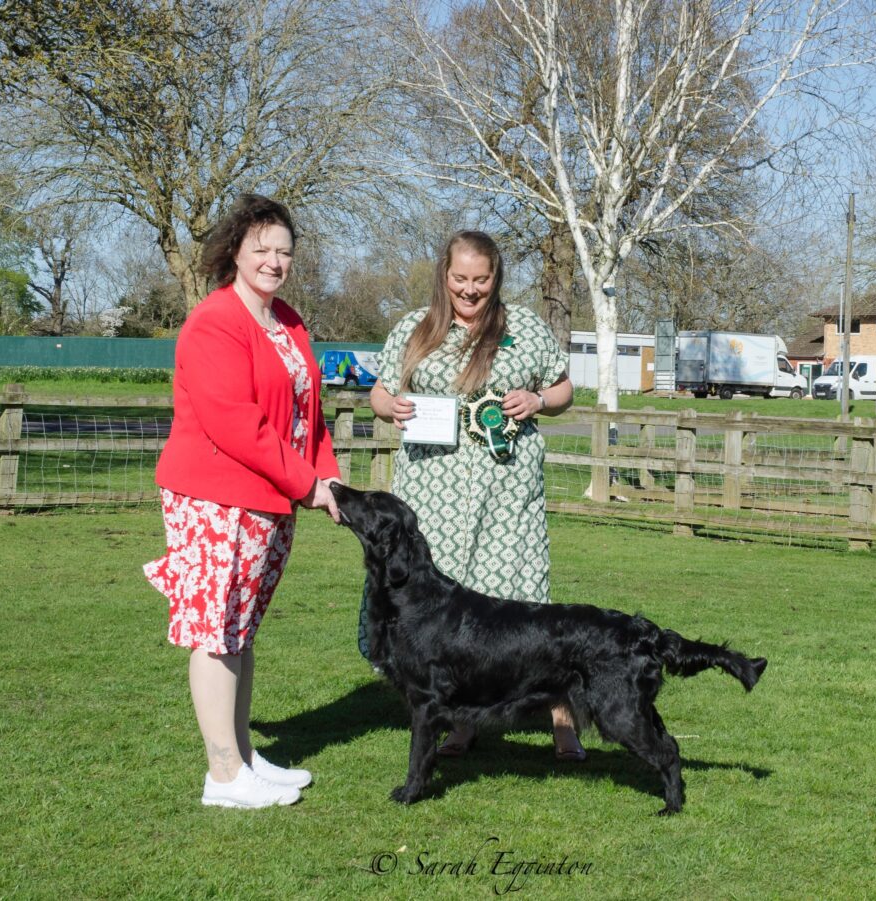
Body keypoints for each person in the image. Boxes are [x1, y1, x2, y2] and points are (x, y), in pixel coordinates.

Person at [144, 194, 342, 808]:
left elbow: (308, 414)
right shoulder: (214, 321)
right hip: (214, 498)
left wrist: (327, 477)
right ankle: (223, 776)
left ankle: (246, 757)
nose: (274, 260)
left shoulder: (288, 320)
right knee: (216, 632)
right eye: (261, 248)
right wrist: (306, 484)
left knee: (241, 630)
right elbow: (236, 424)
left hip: (268, 498)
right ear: (234, 250)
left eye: (284, 251)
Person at [369, 229, 585, 761]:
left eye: (481, 280)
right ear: (444, 274)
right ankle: (461, 725)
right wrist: (388, 407)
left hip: (505, 493)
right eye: (460, 278)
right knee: (447, 619)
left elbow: (564, 389)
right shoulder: (413, 328)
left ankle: (563, 721)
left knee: (527, 606)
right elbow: (379, 389)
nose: (470, 290)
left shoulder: (524, 327)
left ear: (496, 278)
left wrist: (537, 399)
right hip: (432, 493)